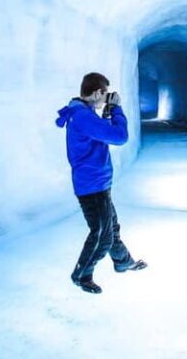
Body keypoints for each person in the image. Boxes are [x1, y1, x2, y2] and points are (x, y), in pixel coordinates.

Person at [55, 72, 147, 294]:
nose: (106, 99)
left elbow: (103, 134)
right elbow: (119, 136)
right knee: (101, 234)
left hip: (97, 183)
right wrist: (116, 110)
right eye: (104, 95)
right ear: (96, 92)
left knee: (110, 227)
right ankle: (81, 274)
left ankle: (122, 260)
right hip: (92, 185)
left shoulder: (85, 114)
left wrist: (107, 113)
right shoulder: (84, 117)